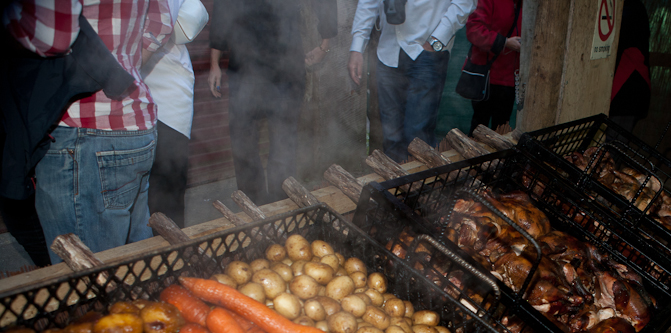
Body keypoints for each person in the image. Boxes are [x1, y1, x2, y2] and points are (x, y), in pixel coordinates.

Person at [5, 0, 172, 264]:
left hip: (81, 132)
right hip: (135, 121)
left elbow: (54, 34)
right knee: (135, 270)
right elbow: (161, 24)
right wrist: (121, 66)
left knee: (89, 284)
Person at [208, 0, 337, 206]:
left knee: (284, 144)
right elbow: (223, 9)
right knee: (243, 142)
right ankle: (252, 210)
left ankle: (282, 209)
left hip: (285, 67)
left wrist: (325, 44)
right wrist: (214, 63)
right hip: (245, 68)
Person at [349, 0, 477, 163]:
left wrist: (437, 40)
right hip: (388, 51)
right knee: (391, 135)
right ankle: (396, 185)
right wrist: (357, 47)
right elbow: (368, 2)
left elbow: (465, 2)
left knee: (418, 136)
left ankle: (420, 187)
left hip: (427, 53)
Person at [143, 0, 208, 229]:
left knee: (166, 191)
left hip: (168, 102)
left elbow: (188, 25)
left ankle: (171, 256)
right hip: (134, 103)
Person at [464, 0, 521, 135]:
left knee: (501, 129)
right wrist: (504, 42)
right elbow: (473, 30)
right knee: (479, 128)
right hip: (487, 76)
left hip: (511, 77)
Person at [609, 0, 651, 133]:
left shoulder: (631, 9)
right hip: (626, 92)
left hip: (627, 92)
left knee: (614, 147)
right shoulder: (629, 8)